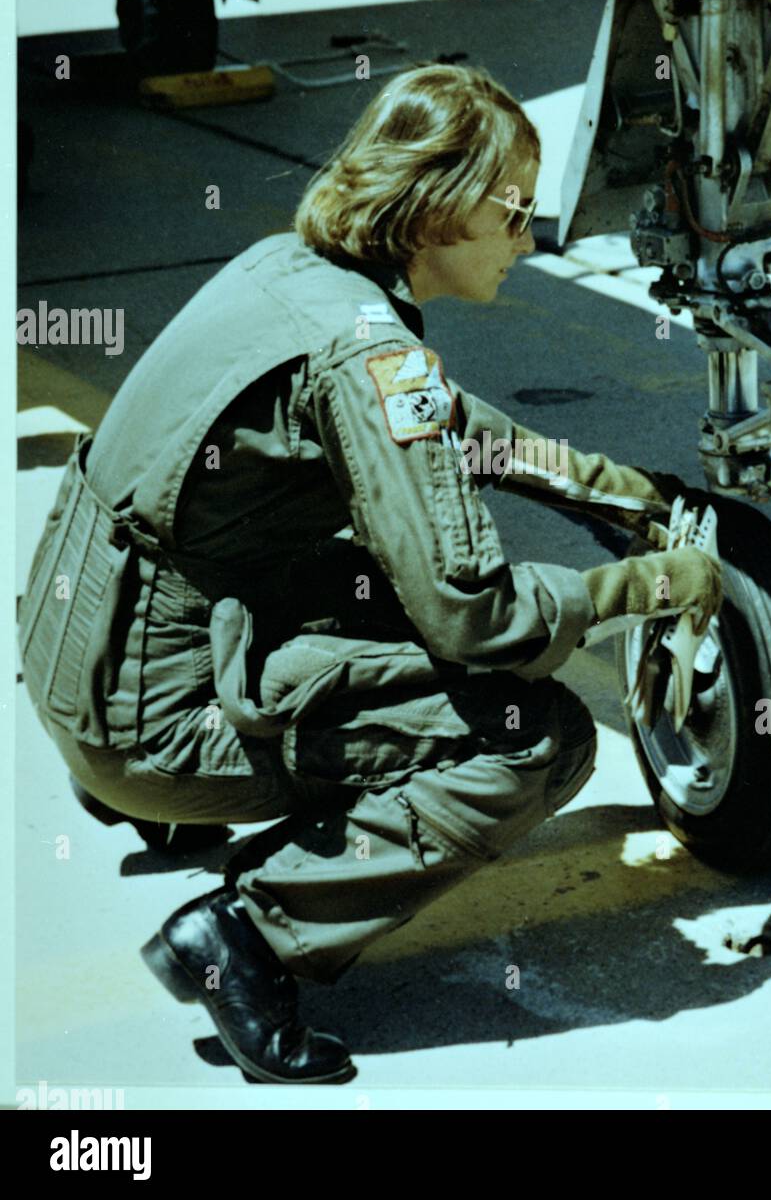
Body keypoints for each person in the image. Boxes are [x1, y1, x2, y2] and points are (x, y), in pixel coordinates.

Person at [18, 63, 721, 1085]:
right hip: (141, 719)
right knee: (537, 735)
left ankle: (146, 793)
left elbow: (446, 428)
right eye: (515, 212)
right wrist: (651, 587)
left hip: (74, 641)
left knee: (364, 575)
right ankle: (250, 939)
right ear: (438, 212)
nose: (531, 239)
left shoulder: (294, 274)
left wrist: (615, 491)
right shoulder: (369, 362)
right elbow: (477, 617)